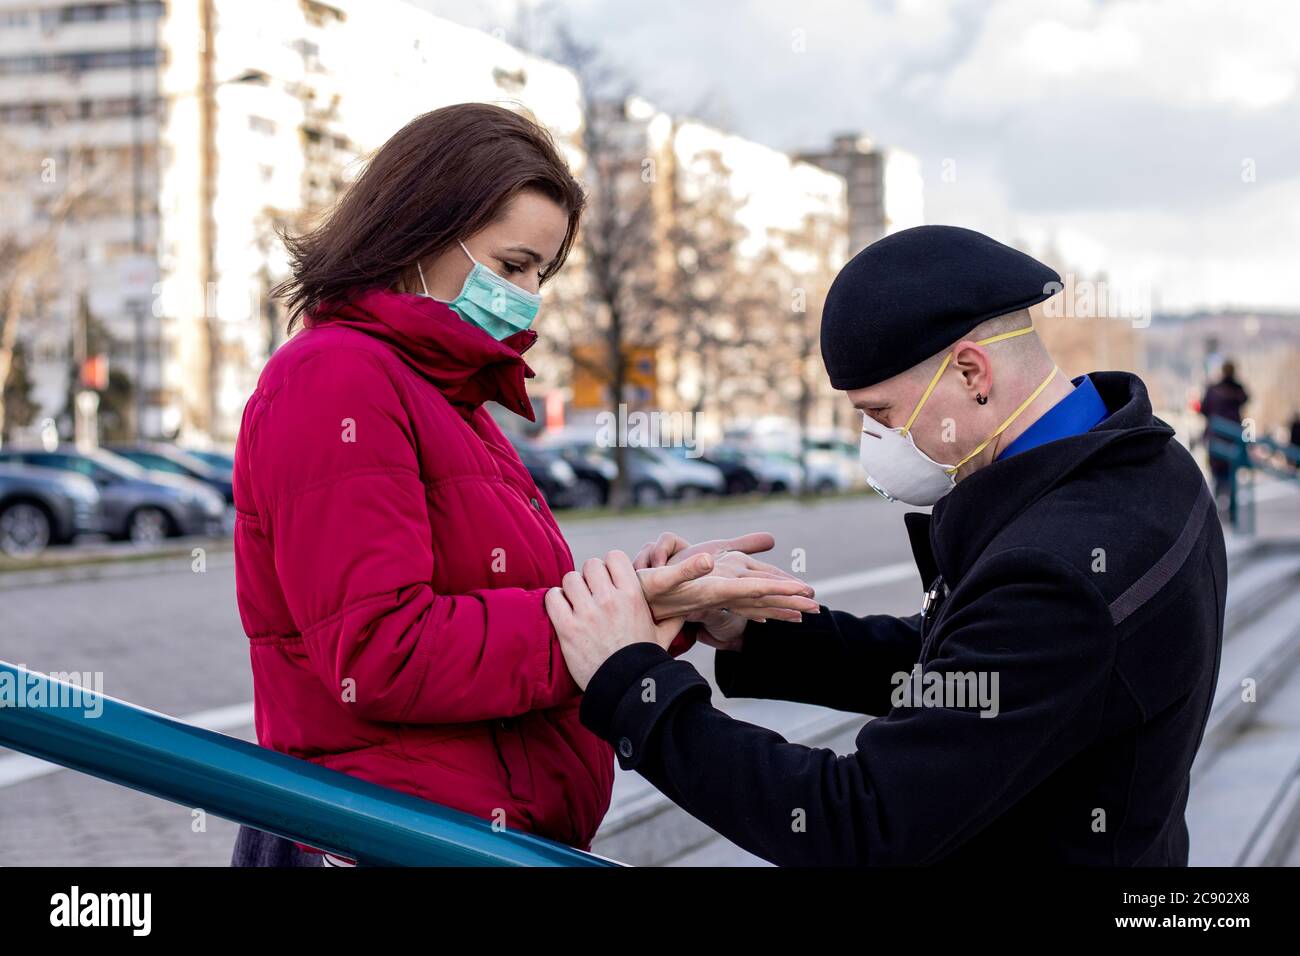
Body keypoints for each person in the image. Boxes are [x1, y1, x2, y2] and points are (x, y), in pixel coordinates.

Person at [228, 103, 815, 866]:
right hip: (393, 841)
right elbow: (380, 653)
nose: (529, 294)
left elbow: (496, 613)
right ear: (419, 231)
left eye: (542, 272)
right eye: (512, 265)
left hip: (471, 838)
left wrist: (665, 600)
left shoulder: (449, 397)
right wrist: (623, 611)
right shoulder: (336, 377)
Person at [547, 225, 1226, 866]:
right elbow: (978, 673)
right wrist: (758, 630)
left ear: (971, 374)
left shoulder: (1057, 571)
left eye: (880, 413)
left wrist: (634, 684)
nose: (876, 441)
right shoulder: (1144, 465)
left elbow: (862, 823)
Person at [1199, 360, 1250, 523]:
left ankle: (1216, 512)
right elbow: (1246, 399)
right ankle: (1232, 513)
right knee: (1231, 475)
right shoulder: (1238, 390)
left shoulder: (1213, 390)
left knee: (1217, 476)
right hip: (1233, 437)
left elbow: (1203, 409)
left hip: (1215, 437)